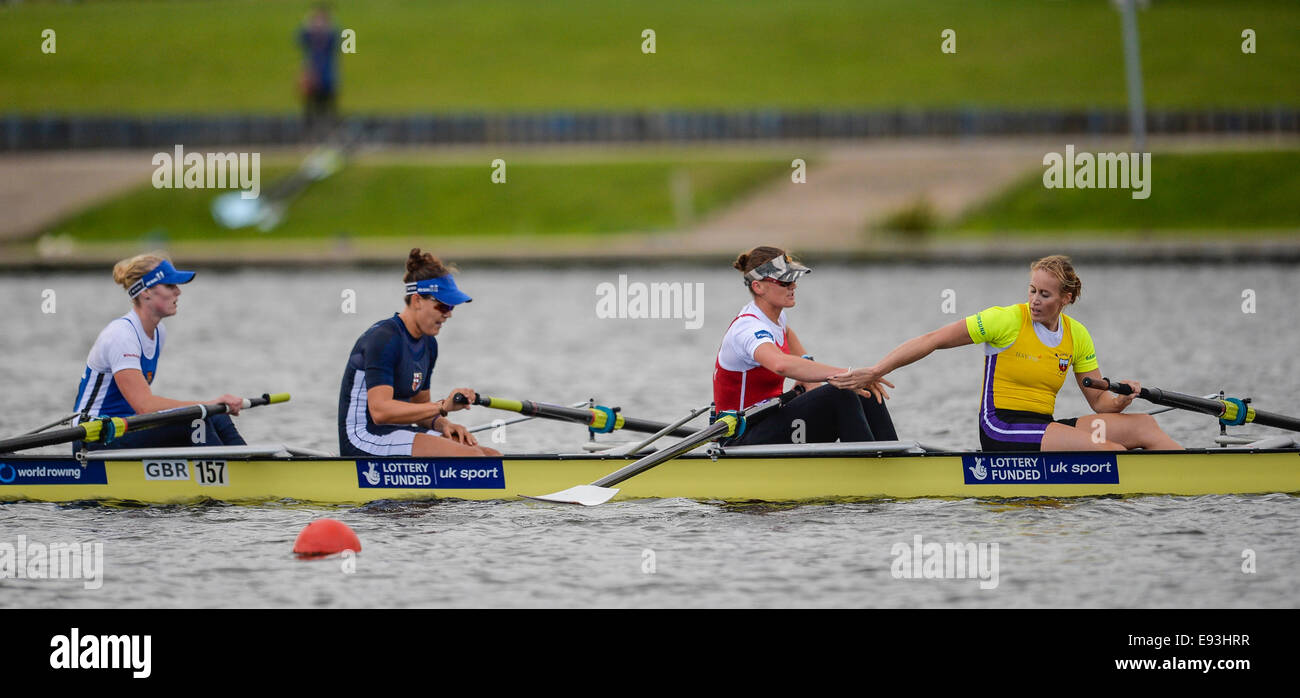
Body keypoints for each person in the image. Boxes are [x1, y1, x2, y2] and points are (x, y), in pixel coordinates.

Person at [830, 255, 1182, 452]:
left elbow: (1100, 403)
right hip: (1002, 429)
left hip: (1042, 427)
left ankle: (1191, 476)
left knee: (1144, 426)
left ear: (1066, 299)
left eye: (1045, 294)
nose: (1035, 301)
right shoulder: (1005, 320)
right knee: (1108, 451)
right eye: (1032, 290)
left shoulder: (1078, 335)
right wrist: (875, 370)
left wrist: (1123, 398)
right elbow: (933, 339)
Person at [713, 246, 897, 446]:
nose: (794, 286)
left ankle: (892, 458)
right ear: (758, 287)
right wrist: (848, 375)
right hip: (742, 437)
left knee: (861, 391)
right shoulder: (747, 328)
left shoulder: (776, 318)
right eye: (785, 281)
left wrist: (807, 369)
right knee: (842, 391)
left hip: (771, 421)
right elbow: (780, 364)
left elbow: (787, 336)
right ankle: (866, 468)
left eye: (794, 279)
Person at [72, 253, 247, 452]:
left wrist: (210, 408)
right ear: (146, 291)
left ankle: (254, 469)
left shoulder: (158, 332)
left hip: (127, 429)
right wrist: (207, 404)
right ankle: (232, 478)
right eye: (170, 286)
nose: (178, 292)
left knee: (216, 416)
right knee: (196, 422)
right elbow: (145, 406)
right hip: (95, 437)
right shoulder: (121, 336)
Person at [338, 249, 501, 458]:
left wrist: (444, 423)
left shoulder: (429, 345)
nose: (449, 314)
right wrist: (443, 406)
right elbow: (381, 412)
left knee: (491, 455)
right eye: (443, 305)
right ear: (417, 301)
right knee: (473, 459)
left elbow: (421, 410)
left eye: (451, 307)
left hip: (396, 433)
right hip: (364, 437)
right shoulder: (383, 339)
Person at [298, 3, 340, 140]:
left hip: (327, 79)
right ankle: (309, 137)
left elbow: (337, 37)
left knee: (328, 110)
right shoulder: (310, 37)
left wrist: (327, 27)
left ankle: (330, 137)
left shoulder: (330, 36)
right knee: (310, 110)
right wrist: (308, 25)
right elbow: (300, 38)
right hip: (312, 79)